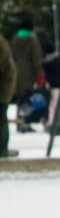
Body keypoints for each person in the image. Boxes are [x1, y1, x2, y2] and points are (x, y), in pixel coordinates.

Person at [11, 17, 43, 133]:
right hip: (29, 73)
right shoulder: (33, 39)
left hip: (16, 72)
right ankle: (25, 123)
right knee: (27, 98)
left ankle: (20, 122)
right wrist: (40, 75)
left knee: (20, 98)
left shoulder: (15, 39)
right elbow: (36, 59)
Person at [0, 29, 18, 158]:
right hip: (5, 83)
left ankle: (2, 150)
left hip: (3, 86)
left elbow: (4, 62)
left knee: (1, 117)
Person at [42, 43, 60, 130]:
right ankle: (53, 122)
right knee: (54, 105)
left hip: (50, 86)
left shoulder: (46, 63)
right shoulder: (58, 61)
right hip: (57, 86)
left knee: (51, 105)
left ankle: (50, 122)